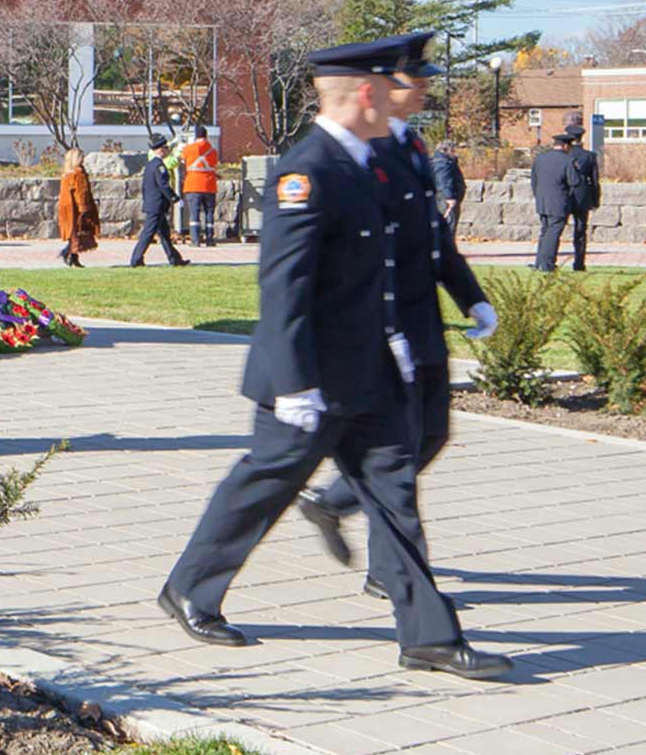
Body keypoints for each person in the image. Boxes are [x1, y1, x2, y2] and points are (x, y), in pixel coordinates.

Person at [158, 37, 510, 681]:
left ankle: (428, 635)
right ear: (368, 94)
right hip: (311, 378)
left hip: (369, 372)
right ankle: (189, 587)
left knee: (394, 496)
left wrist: (404, 342)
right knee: (264, 484)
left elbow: (385, 270)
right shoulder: (308, 170)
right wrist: (295, 384)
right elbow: (284, 287)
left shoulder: (370, 163)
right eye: (391, 87)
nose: (407, 97)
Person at [296, 33, 496, 599]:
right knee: (397, 450)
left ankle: (333, 501)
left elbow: (433, 236)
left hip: (422, 319)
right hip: (387, 324)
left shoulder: (408, 145)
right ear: (385, 85)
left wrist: (470, 296)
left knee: (431, 435)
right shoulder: (365, 147)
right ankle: (391, 570)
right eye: (416, 79)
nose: (425, 87)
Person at [125, 133, 189, 268]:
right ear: (160, 149)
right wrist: (175, 198)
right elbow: (163, 185)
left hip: (154, 204)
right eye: (165, 148)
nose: (167, 150)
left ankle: (175, 259)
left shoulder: (151, 165)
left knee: (165, 235)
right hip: (157, 205)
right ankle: (136, 259)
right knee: (148, 234)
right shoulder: (158, 166)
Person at [532, 132, 588, 271]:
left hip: (542, 201)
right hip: (559, 202)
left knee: (545, 231)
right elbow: (574, 182)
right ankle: (547, 264)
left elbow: (534, 181)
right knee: (553, 232)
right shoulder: (567, 161)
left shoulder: (540, 159)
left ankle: (539, 262)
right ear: (565, 146)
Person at [54, 147, 99, 267]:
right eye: (81, 157)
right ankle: (66, 253)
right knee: (78, 234)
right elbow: (81, 193)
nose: (83, 159)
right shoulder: (78, 174)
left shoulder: (66, 174)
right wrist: (84, 208)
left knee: (73, 235)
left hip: (67, 210)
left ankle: (73, 257)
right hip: (76, 209)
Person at [180, 126, 220, 247]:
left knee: (194, 213)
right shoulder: (213, 151)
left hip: (193, 184)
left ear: (195, 136)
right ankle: (209, 239)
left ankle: (195, 240)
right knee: (209, 212)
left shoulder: (188, 149)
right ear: (206, 136)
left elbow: (182, 160)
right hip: (209, 185)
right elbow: (214, 165)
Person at [431, 137, 468, 240]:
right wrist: (449, 197)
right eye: (452, 150)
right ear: (445, 150)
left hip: (445, 197)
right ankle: (446, 250)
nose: (455, 153)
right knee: (448, 225)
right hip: (445, 200)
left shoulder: (445, 161)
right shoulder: (442, 163)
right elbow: (444, 180)